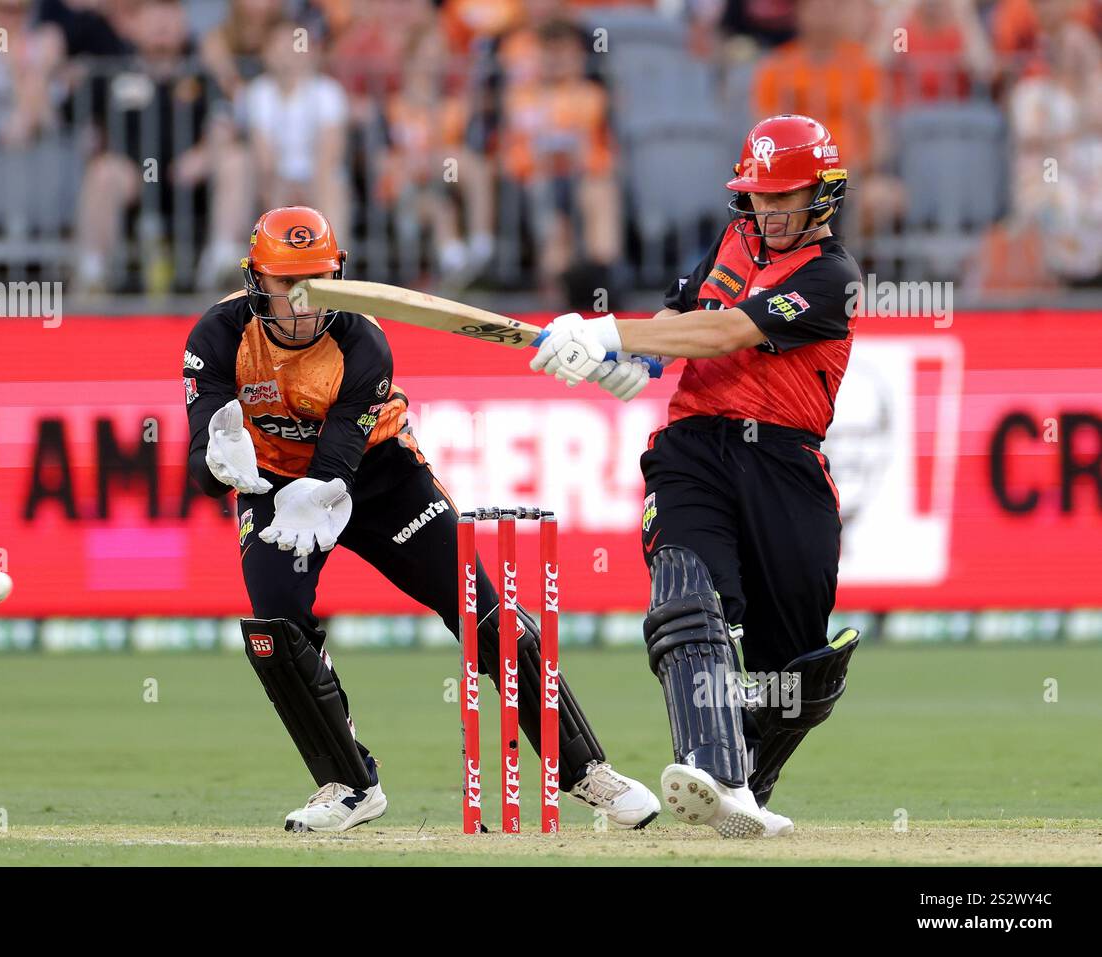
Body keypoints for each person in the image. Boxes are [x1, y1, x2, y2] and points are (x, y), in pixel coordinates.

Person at [183, 205, 660, 832]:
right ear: (256, 281)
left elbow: (339, 463)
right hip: (270, 483)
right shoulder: (216, 337)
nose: (300, 304)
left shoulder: (363, 340)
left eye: (314, 283)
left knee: (482, 611)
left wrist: (319, 487)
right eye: (283, 286)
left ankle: (585, 771)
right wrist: (219, 461)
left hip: (382, 478)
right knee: (275, 628)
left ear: (338, 276)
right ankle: (349, 785)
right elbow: (200, 464)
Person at [529, 114, 863, 839]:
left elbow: (726, 331)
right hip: (694, 449)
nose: (769, 212)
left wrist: (610, 331)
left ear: (825, 194)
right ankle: (712, 766)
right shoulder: (736, 237)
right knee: (686, 589)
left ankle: (744, 788)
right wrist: (639, 360)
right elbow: (688, 312)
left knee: (798, 670)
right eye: (759, 196)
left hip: (785, 466)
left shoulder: (832, 278)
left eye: (786, 197)